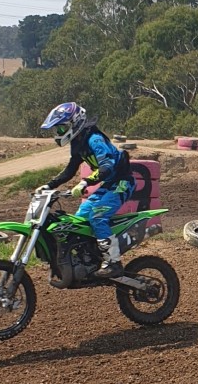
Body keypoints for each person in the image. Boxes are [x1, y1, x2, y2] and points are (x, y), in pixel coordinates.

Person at [41, 102, 136, 279]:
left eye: (60, 129)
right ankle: (90, 258)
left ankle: (113, 262)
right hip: (108, 185)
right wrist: (49, 185)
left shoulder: (94, 139)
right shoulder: (78, 142)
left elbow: (107, 166)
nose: (58, 134)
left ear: (74, 123)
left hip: (122, 183)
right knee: (79, 220)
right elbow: (70, 169)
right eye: (56, 130)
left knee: (98, 216)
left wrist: (85, 183)